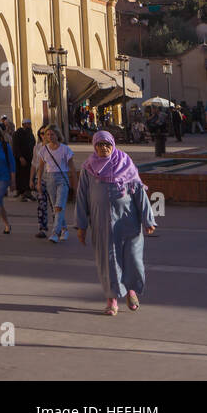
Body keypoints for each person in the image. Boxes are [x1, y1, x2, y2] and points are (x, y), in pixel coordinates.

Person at [76, 130, 156, 315]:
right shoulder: (88, 167)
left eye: (107, 144)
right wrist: (81, 226)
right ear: (94, 146)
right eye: (99, 145)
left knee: (132, 258)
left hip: (128, 219)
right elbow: (81, 197)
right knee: (108, 260)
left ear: (113, 145)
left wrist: (147, 218)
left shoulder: (125, 163)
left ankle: (131, 290)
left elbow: (139, 191)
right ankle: (112, 299)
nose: (104, 148)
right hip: (101, 222)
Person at [32, 124, 73, 243]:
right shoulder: (43, 150)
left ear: (57, 135)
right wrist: (38, 182)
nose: (50, 136)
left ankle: (55, 232)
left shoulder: (65, 149)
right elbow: (40, 167)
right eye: (47, 134)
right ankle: (64, 229)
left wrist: (74, 184)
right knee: (56, 207)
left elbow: (71, 167)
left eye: (52, 134)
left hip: (62, 179)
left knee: (59, 206)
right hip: (49, 180)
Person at [12, 118, 36, 201]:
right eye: (27, 124)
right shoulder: (17, 133)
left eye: (30, 123)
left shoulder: (30, 134)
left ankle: (28, 193)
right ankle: (22, 194)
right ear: (23, 125)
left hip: (30, 159)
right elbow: (15, 147)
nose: (29, 125)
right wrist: (20, 157)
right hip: (21, 160)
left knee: (30, 176)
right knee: (22, 177)